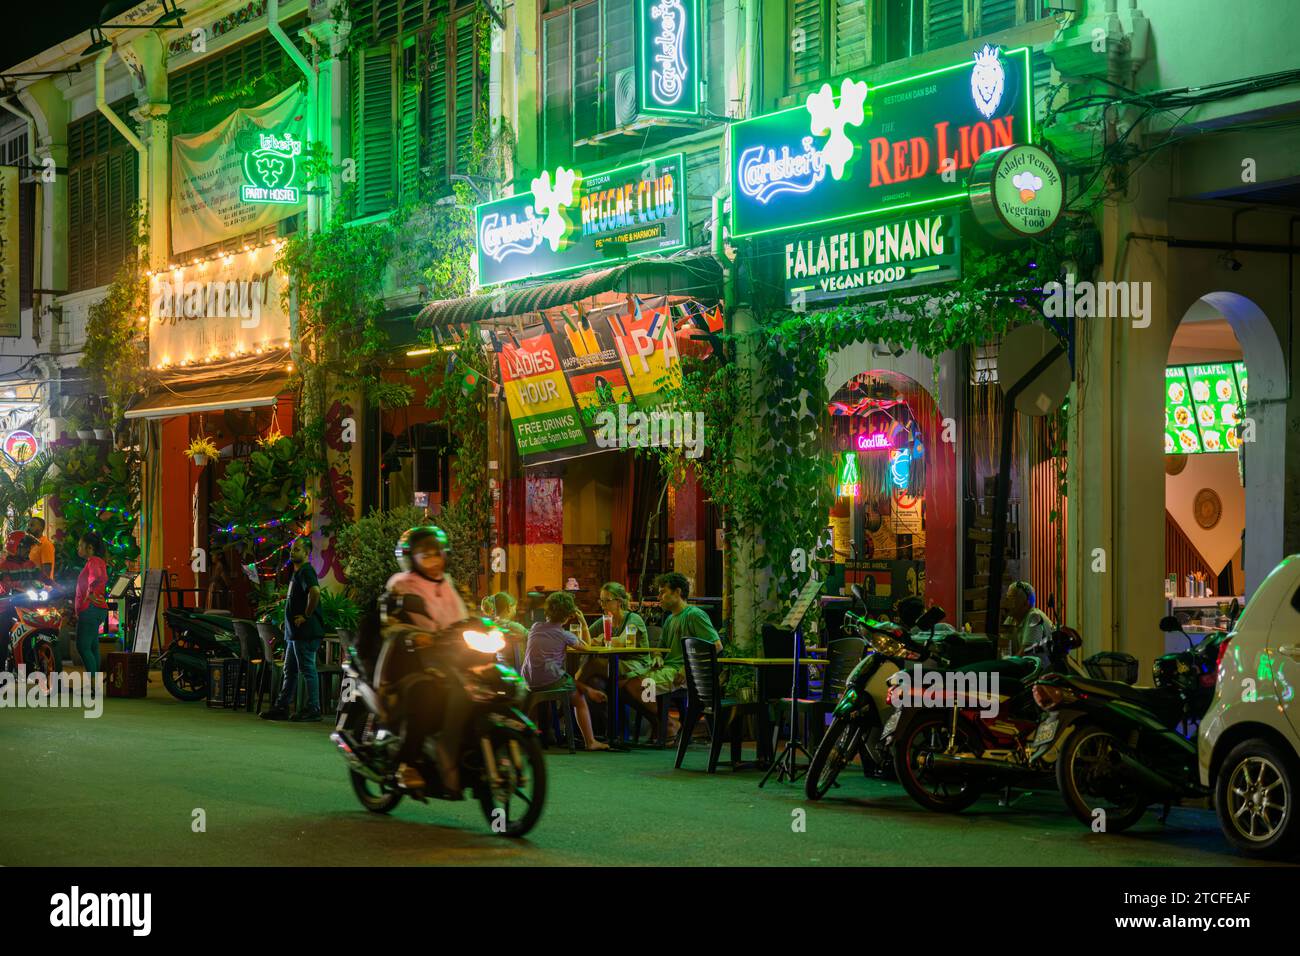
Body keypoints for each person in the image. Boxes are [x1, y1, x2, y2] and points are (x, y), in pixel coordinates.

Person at [378, 525, 469, 793]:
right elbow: (389, 620)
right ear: (411, 558)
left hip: (453, 655)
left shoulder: (450, 584)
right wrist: (412, 633)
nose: (433, 561)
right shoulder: (400, 584)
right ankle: (407, 763)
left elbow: (468, 615)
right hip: (414, 660)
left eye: (437, 554)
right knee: (428, 697)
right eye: (425, 555)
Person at [621, 572, 720, 738]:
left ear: (677, 592)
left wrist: (686, 669)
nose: (659, 596)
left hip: (681, 674)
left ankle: (668, 724)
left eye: (663, 592)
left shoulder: (694, 615)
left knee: (637, 686)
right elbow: (660, 648)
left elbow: (716, 645)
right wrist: (658, 656)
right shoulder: (669, 619)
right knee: (621, 684)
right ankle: (662, 723)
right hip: (666, 669)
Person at [522, 590, 609, 752]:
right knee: (578, 698)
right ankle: (590, 741)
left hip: (529, 680)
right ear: (569, 616)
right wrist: (583, 623)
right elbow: (588, 647)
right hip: (550, 680)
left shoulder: (535, 627)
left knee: (568, 681)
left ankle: (537, 735)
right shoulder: (565, 635)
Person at [260, 538, 325, 722]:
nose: (292, 552)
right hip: (294, 633)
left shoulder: (306, 571)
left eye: (297, 550)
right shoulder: (298, 573)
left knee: (307, 670)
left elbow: (315, 592)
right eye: (291, 549)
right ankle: (282, 706)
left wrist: (306, 615)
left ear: (306, 553)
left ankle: (313, 708)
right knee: (290, 670)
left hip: (304, 632)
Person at [72, 532, 108, 695]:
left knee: (83, 646)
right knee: (92, 646)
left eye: (80, 545)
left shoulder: (94, 561)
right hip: (96, 609)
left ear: (90, 548)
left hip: (90, 609)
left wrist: (91, 592)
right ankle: (95, 685)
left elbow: (98, 577)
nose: (78, 548)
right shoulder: (95, 561)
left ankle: (92, 686)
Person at [1004, 580, 1052, 656]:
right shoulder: (1011, 618)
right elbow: (1003, 646)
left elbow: (1026, 654)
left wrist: (1004, 664)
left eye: (1012, 598)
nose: (1007, 602)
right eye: (1007, 598)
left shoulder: (1034, 617)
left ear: (1026, 603)